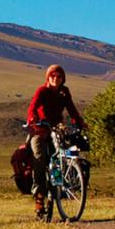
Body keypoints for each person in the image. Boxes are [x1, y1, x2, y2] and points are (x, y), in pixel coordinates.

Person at [26, 64, 86, 218]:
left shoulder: (64, 92)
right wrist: (33, 119)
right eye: (52, 76)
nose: (55, 79)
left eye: (59, 76)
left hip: (57, 129)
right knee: (39, 158)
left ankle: (63, 186)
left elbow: (71, 109)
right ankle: (39, 196)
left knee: (66, 154)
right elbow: (32, 107)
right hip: (40, 129)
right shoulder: (42, 91)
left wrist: (78, 122)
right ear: (48, 77)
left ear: (63, 78)